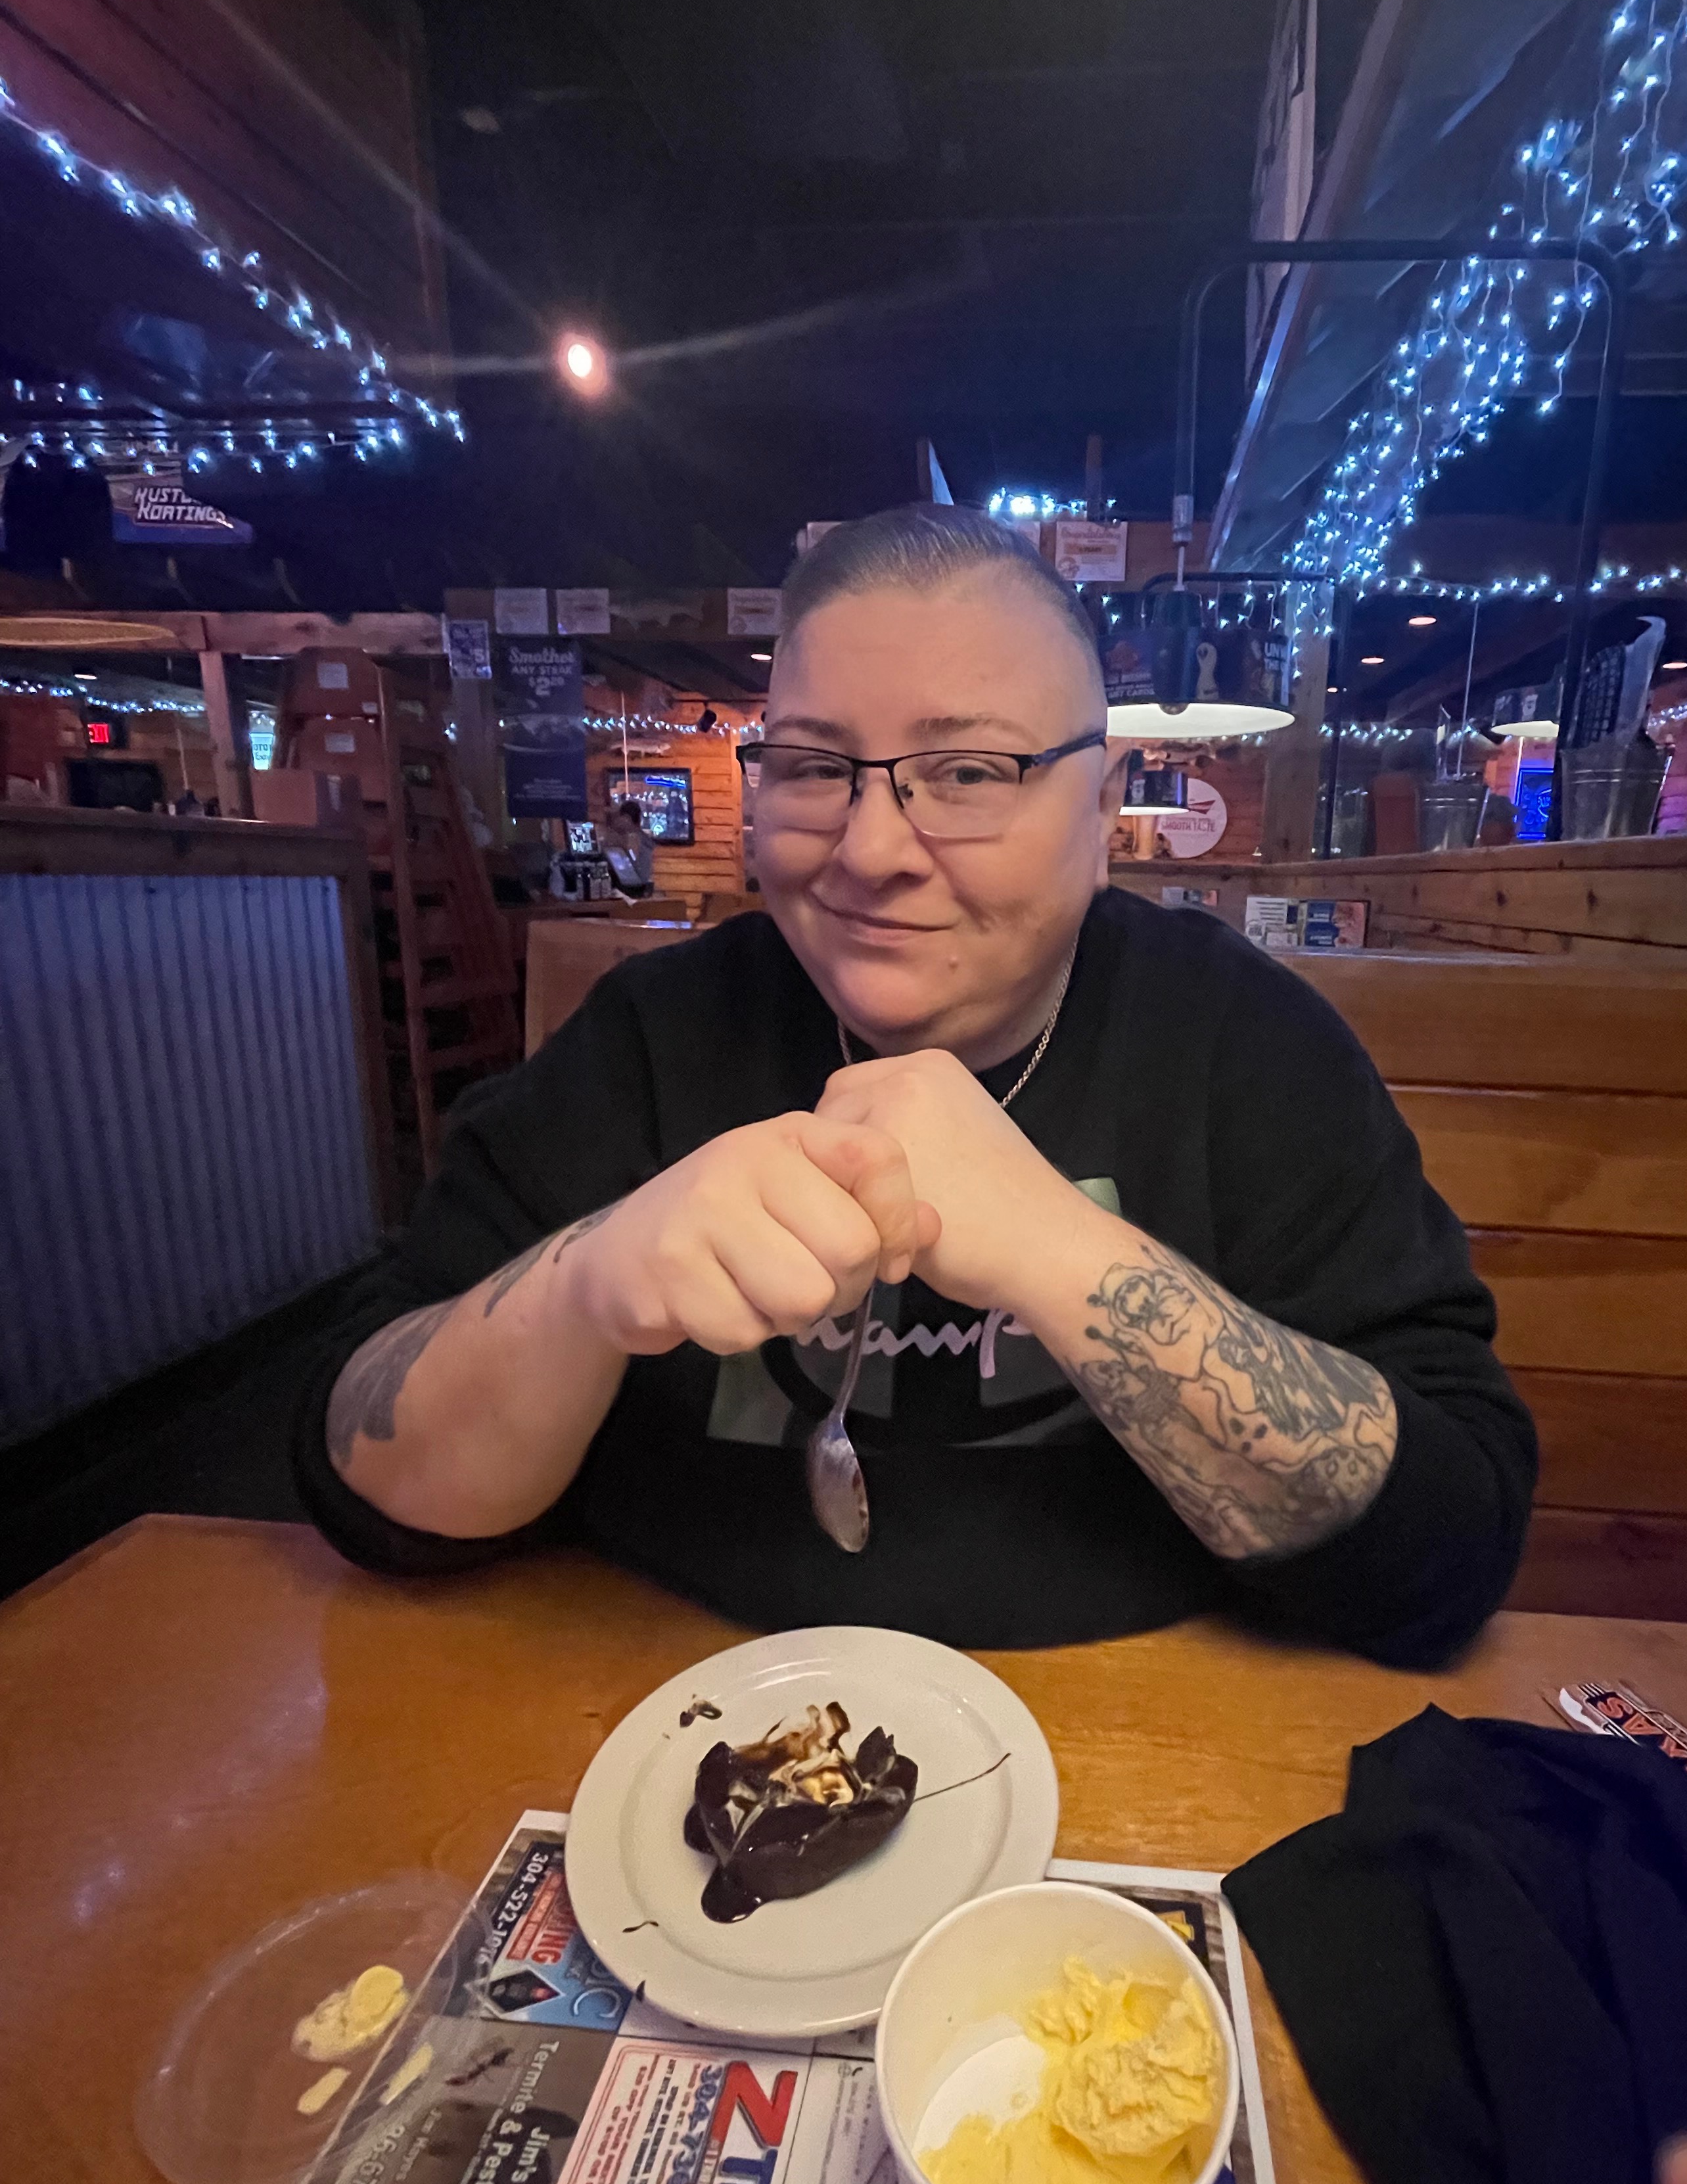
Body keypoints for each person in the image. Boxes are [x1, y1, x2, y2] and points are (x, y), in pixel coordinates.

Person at [294, 505, 1535, 1658]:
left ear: (1103, 810)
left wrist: (1065, 1256)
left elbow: (1446, 1549)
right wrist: (586, 1285)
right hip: (670, 1716)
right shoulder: (650, 1040)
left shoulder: (1241, 1042)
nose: (872, 850)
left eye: (970, 773)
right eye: (813, 767)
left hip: (1146, 1736)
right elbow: (365, 1482)